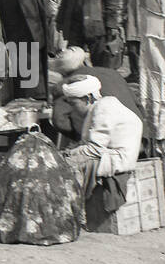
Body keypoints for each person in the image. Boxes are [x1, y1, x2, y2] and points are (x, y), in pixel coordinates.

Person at [59, 75, 143, 209]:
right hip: (106, 155)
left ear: (88, 98)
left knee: (61, 169)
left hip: (115, 160)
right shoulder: (100, 107)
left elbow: (95, 149)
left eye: (73, 104)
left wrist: (67, 156)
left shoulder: (104, 108)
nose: (72, 109)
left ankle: (69, 209)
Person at [49, 45, 138, 138]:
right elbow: (137, 104)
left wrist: (79, 138)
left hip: (110, 142)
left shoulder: (68, 85)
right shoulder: (112, 73)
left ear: (62, 72)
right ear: (85, 61)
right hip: (138, 136)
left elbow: (60, 122)